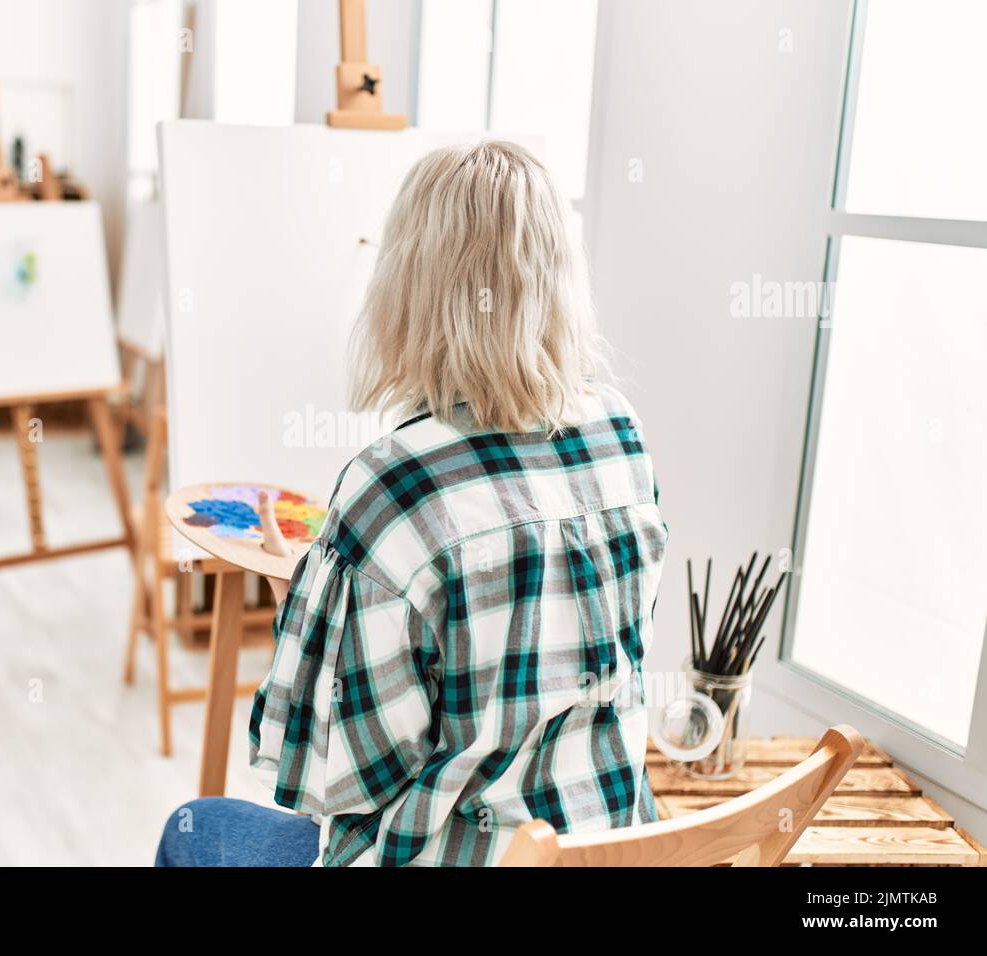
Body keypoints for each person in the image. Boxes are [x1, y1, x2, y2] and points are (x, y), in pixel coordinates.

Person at [156, 140, 667, 867]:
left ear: (408, 285)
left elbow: (339, 779)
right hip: (607, 847)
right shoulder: (620, 435)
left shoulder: (393, 486)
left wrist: (312, 618)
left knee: (193, 827)